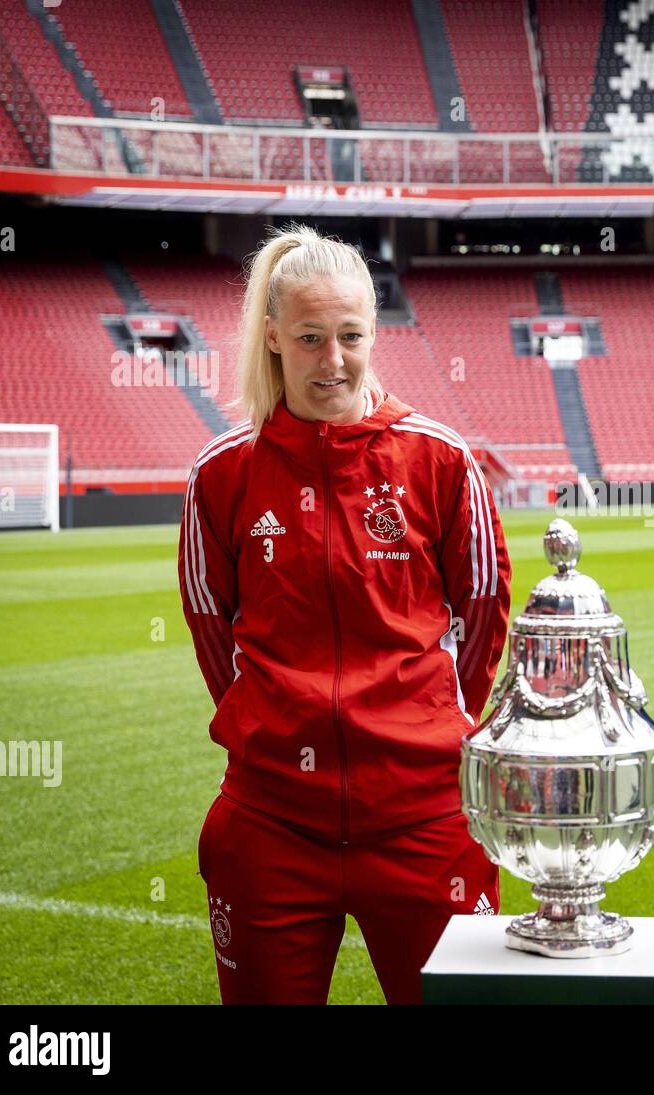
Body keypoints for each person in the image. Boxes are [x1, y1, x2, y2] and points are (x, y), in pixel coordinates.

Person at [177, 224, 511, 1004]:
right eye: (310, 337)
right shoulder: (222, 473)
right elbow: (209, 626)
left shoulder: (439, 458)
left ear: (375, 331)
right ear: (271, 336)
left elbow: (483, 611)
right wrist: (272, 720)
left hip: (425, 817)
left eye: (351, 336)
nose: (333, 360)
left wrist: (423, 728)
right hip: (271, 823)